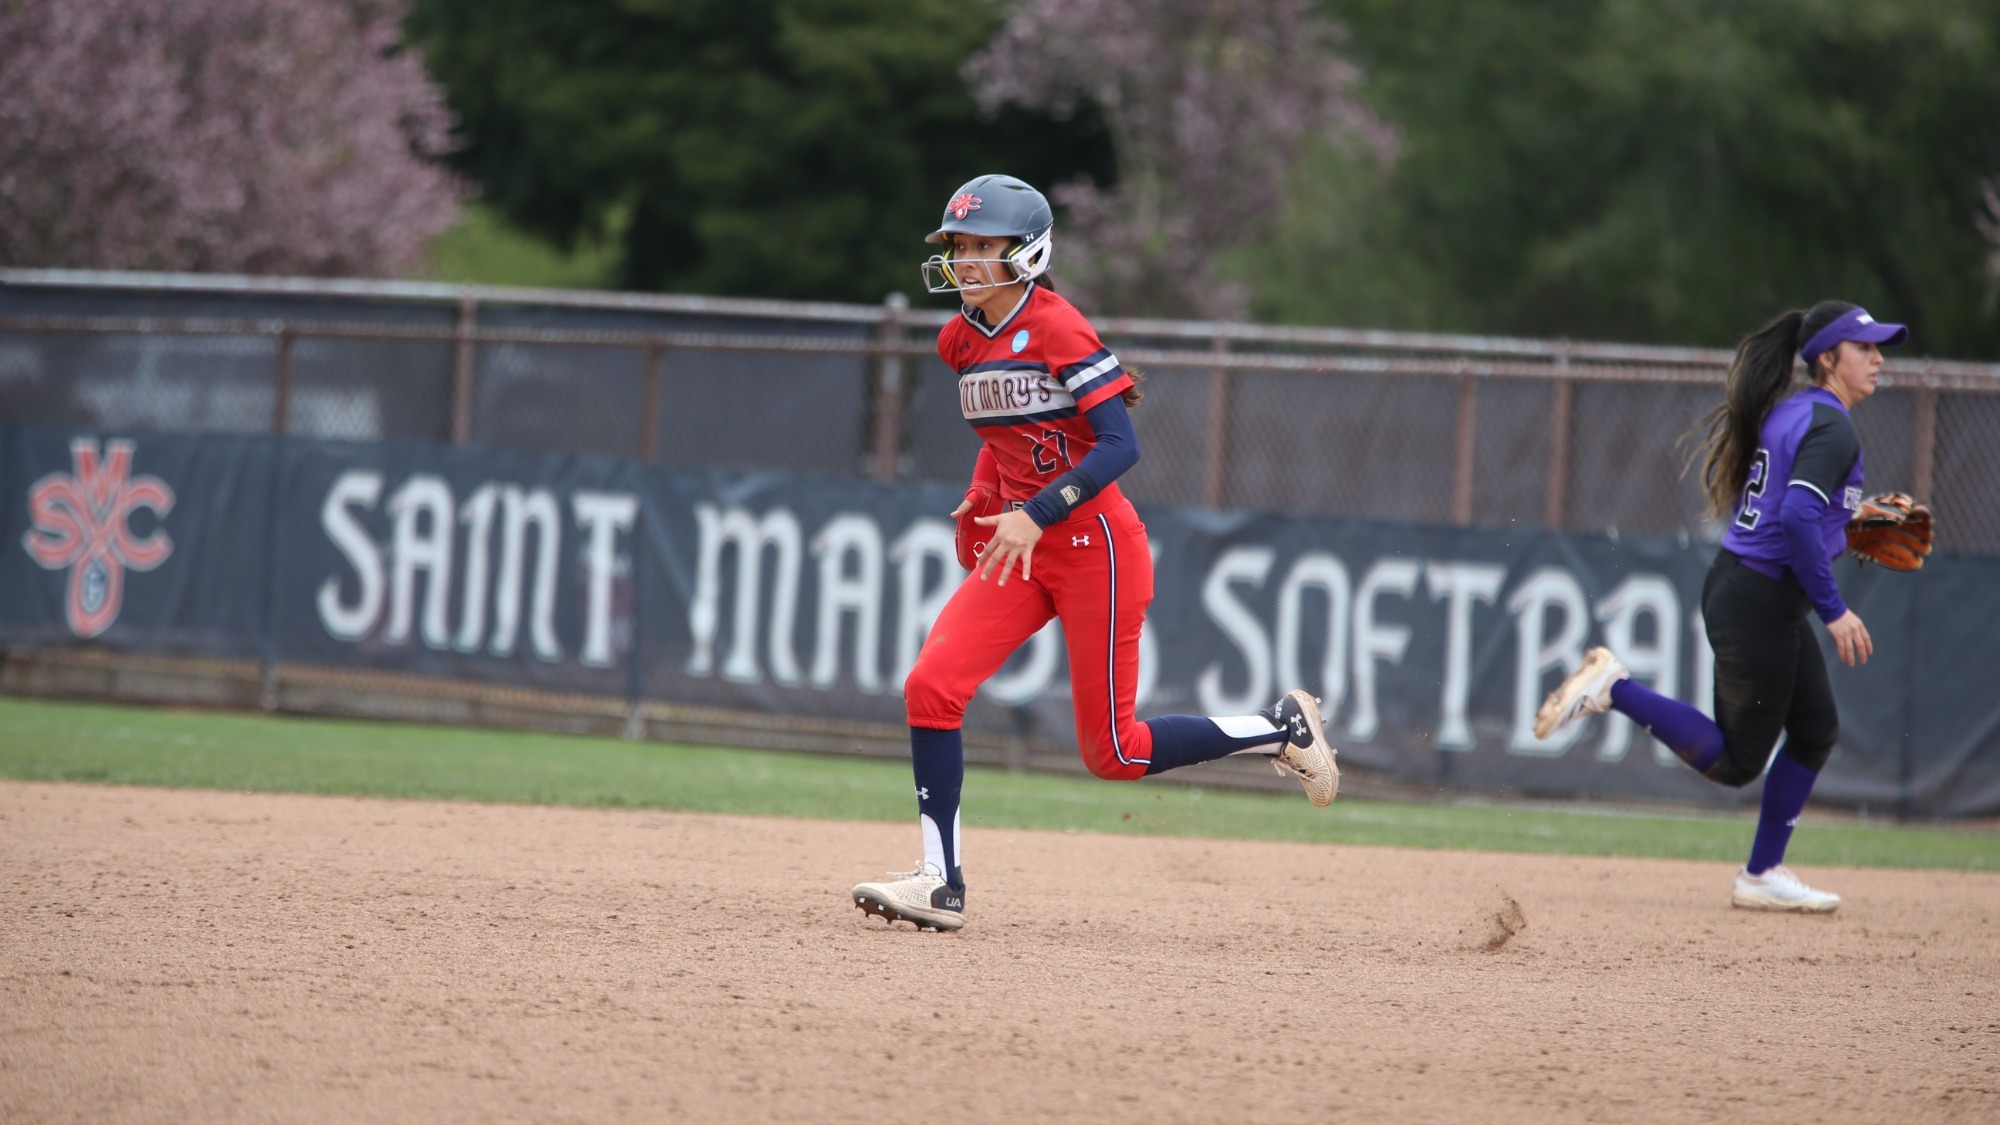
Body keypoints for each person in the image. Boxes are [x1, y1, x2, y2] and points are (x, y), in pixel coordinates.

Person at [851, 174, 1339, 932]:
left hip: (1095, 547)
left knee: (1112, 751)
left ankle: (1280, 727)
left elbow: (1120, 444)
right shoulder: (958, 338)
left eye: (985, 247)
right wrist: (986, 495)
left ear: (1029, 253)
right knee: (931, 686)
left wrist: (1035, 511)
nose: (967, 261)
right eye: (961, 246)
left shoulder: (1057, 328)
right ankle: (940, 881)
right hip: (1029, 546)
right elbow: (1002, 439)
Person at [1534, 300, 1909, 914]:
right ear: (1826, 358)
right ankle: (1614, 688)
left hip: (1752, 593)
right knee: (1738, 762)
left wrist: (1852, 518)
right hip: (1759, 601)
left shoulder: (1799, 410)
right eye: (1863, 348)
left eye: (1878, 347)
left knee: (1815, 732)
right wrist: (1835, 609)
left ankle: (1763, 873)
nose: (1876, 358)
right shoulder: (1832, 425)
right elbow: (1792, 516)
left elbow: (1799, 509)